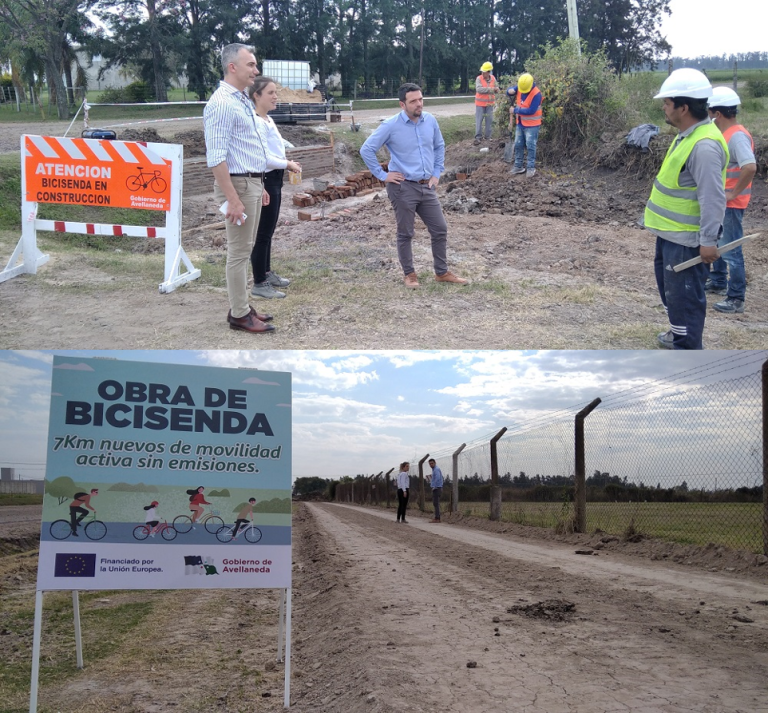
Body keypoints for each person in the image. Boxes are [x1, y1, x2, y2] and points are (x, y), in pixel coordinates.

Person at [644, 68, 728, 350]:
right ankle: (677, 333)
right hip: (672, 235)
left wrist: (708, 242)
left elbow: (713, 198)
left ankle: (687, 347)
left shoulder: (703, 146)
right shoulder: (687, 136)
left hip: (687, 241)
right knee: (674, 295)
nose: (664, 108)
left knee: (686, 299)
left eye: (667, 103)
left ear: (683, 107)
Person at [360, 83, 469, 289]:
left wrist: (437, 173)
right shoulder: (390, 126)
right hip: (402, 187)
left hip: (426, 186)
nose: (419, 104)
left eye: (420, 99)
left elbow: (439, 145)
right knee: (406, 232)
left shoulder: (430, 121)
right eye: (413, 101)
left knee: (440, 228)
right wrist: (382, 175)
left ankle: (442, 272)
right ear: (402, 104)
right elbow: (366, 149)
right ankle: (409, 274)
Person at [204, 43, 275, 334]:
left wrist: (259, 183)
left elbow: (245, 146)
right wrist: (233, 199)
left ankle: (243, 305)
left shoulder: (241, 100)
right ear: (232, 67)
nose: (256, 70)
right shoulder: (221, 103)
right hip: (238, 185)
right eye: (251, 65)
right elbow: (216, 157)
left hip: (250, 182)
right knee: (239, 252)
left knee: (244, 248)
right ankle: (239, 314)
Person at [247, 77, 302, 300]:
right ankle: (259, 282)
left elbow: (275, 149)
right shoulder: (256, 122)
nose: (275, 96)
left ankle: (266, 272)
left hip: (275, 178)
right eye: (270, 92)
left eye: (275, 92)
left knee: (268, 231)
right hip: (265, 179)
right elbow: (261, 156)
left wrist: (286, 161)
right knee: (261, 233)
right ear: (256, 96)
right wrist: (287, 164)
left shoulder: (267, 119)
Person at [705, 86, 756, 315]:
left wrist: (733, 193)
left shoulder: (736, 136)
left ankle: (736, 298)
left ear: (717, 113)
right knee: (717, 243)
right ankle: (717, 281)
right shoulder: (725, 133)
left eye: (708, 110)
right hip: (721, 202)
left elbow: (750, 167)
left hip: (731, 204)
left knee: (731, 250)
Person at [507, 73, 542, 177]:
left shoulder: (537, 94)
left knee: (531, 146)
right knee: (518, 144)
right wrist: (509, 91)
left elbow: (531, 110)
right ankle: (518, 166)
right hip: (520, 123)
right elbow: (509, 92)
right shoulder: (521, 86)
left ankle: (531, 167)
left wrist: (515, 110)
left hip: (532, 125)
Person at [474, 61, 499, 144]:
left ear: (488, 72)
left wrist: (497, 90)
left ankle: (488, 137)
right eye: (482, 71)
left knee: (489, 120)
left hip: (490, 104)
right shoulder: (479, 78)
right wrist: (491, 90)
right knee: (479, 121)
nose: (482, 73)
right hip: (480, 104)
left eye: (484, 72)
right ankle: (478, 137)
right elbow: (479, 89)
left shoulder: (493, 78)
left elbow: (496, 88)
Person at [427, 458, 444, 523]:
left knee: (436, 503)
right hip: (437, 487)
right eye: (430, 464)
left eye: (432, 463)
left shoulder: (436, 469)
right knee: (435, 503)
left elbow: (437, 478)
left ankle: (437, 518)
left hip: (437, 488)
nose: (431, 465)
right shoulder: (434, 470)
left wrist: (435, 486)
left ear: (435, 463)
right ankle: (437, 517)